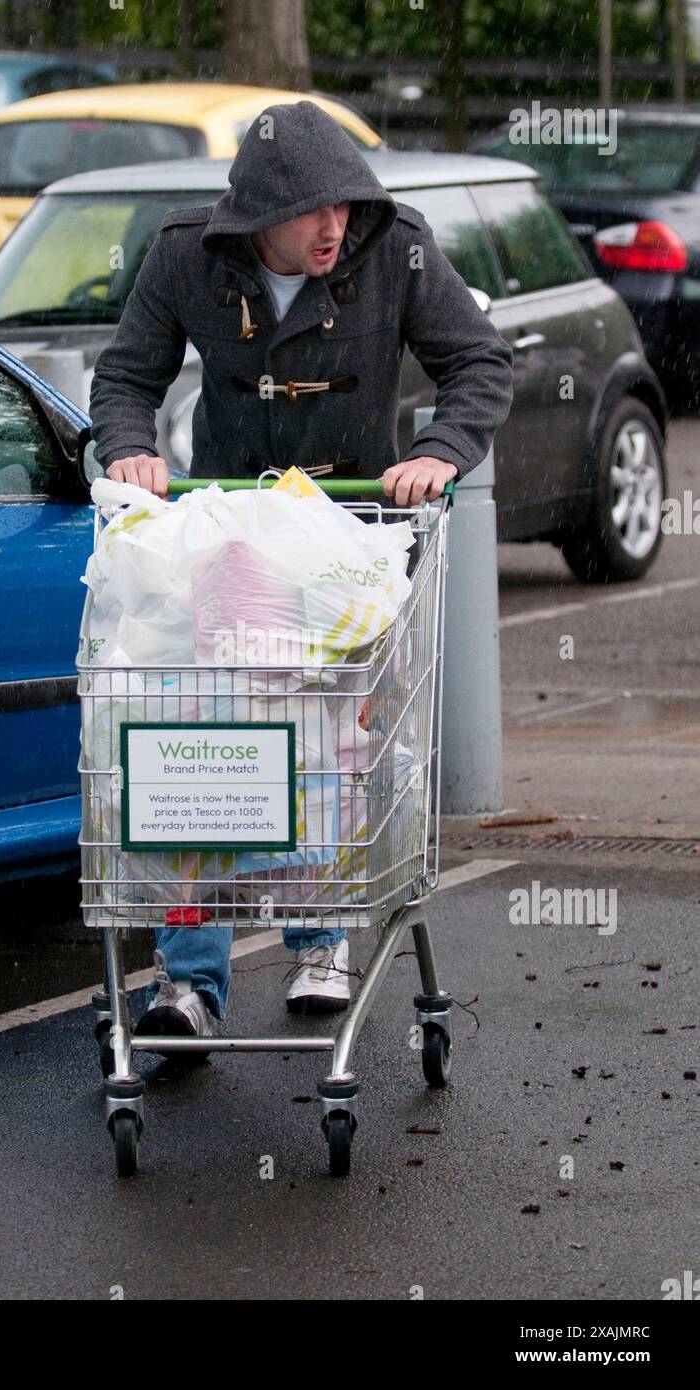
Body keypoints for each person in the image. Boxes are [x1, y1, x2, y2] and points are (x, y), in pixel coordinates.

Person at [89, 100, 513, 1045]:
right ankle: (189, 981)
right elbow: (125, 378)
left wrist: (440, 451)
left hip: (347, 545)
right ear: (257, 216)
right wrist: (130, 452)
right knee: (208, 747)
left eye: (346, 206)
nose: (334, 227)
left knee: (323, 745)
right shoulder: (186, 254)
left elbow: (479, 363)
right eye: (313, 211)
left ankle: (321, 937)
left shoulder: (394, 249)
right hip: (228, 542)